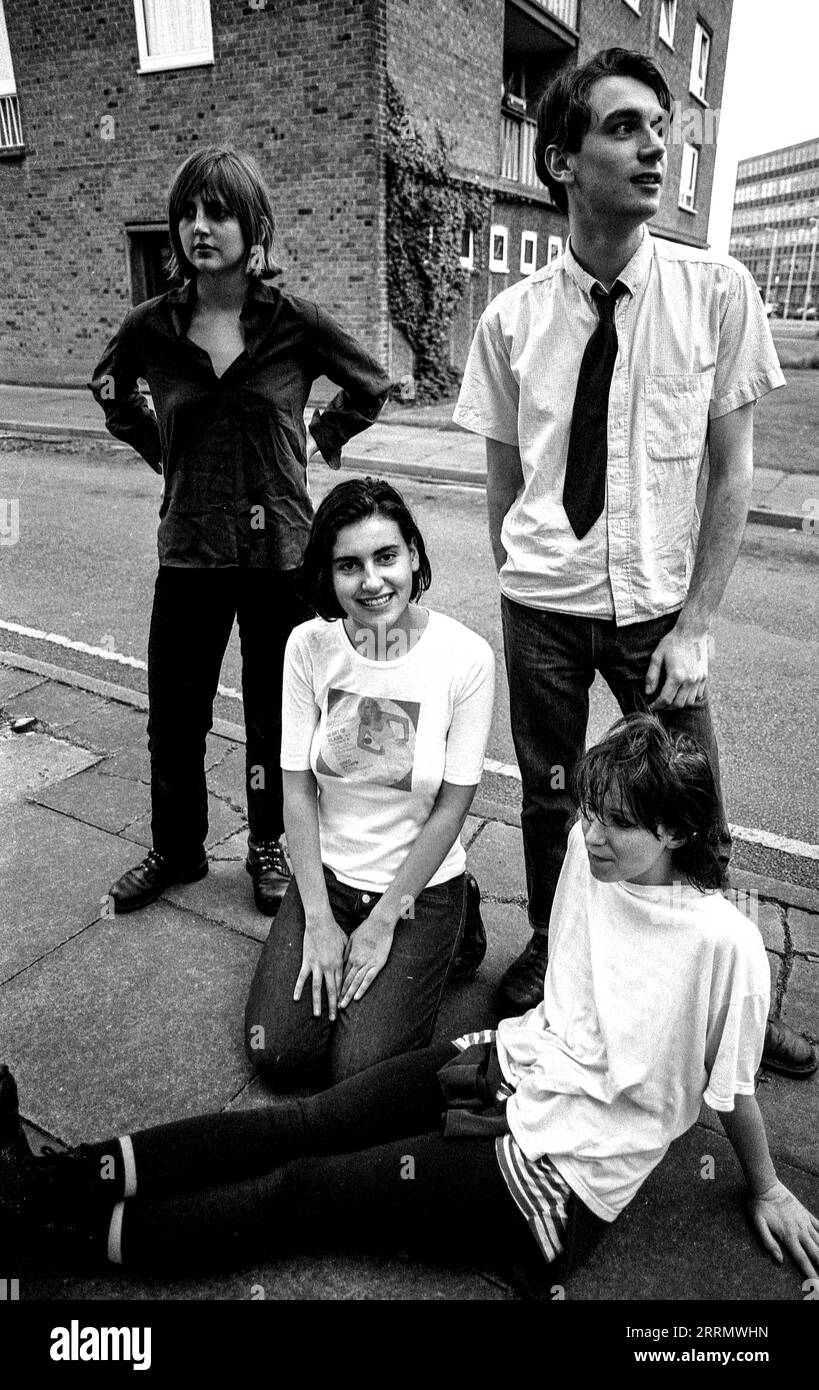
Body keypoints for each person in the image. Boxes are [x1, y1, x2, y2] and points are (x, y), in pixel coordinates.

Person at [3, 716, 817, 1296]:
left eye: (620, 825)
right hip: (515, 1061)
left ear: (677, 832)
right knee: (301, 1123)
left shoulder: (725, 947)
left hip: (564, 1174)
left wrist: (766, 1185)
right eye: (589, 812)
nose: (591, 835)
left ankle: (60, 1238)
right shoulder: (585, 849)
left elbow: (732, 1087)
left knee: (307, 1193)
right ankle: (55, 1181)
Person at [453, 48, 815, 1079]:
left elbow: (734, 473)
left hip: (662, 615)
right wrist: (526, 582)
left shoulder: (716, 291)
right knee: (549, 796)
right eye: (623, 127)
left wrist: (697, 623)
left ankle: (724, 1006)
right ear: (562, 160)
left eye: (660, 125)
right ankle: (558, 956)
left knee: (691, 810)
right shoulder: (510, 320)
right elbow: (504, 480)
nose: (656, 145)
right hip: (545, 611)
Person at [89, 147, 391, 919]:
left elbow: (371, 383)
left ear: (253, 227)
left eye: (218, 212)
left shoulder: (293, 323)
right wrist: (161, 447)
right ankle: (178, 848)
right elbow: (112, 389)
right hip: (189, 551)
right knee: (175, 714)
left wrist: (320, 437)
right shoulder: (152, 328)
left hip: (278, 555)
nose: (199, 227)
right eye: (187, 212)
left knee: (273, 712)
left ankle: (268, 845)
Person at [243, 477, 495, 1084]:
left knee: (359, 1071)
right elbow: (297, 790)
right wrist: (319, 919)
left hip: (418, 886)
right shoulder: (308, 647)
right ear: (329, 578)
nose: (373, 581)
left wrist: (384, 920)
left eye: (387, 557)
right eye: (349, 566)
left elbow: (452, 806)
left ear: (413, 554)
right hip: (326, 876)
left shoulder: (466, 658)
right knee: (277, 1052)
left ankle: (459, 922)